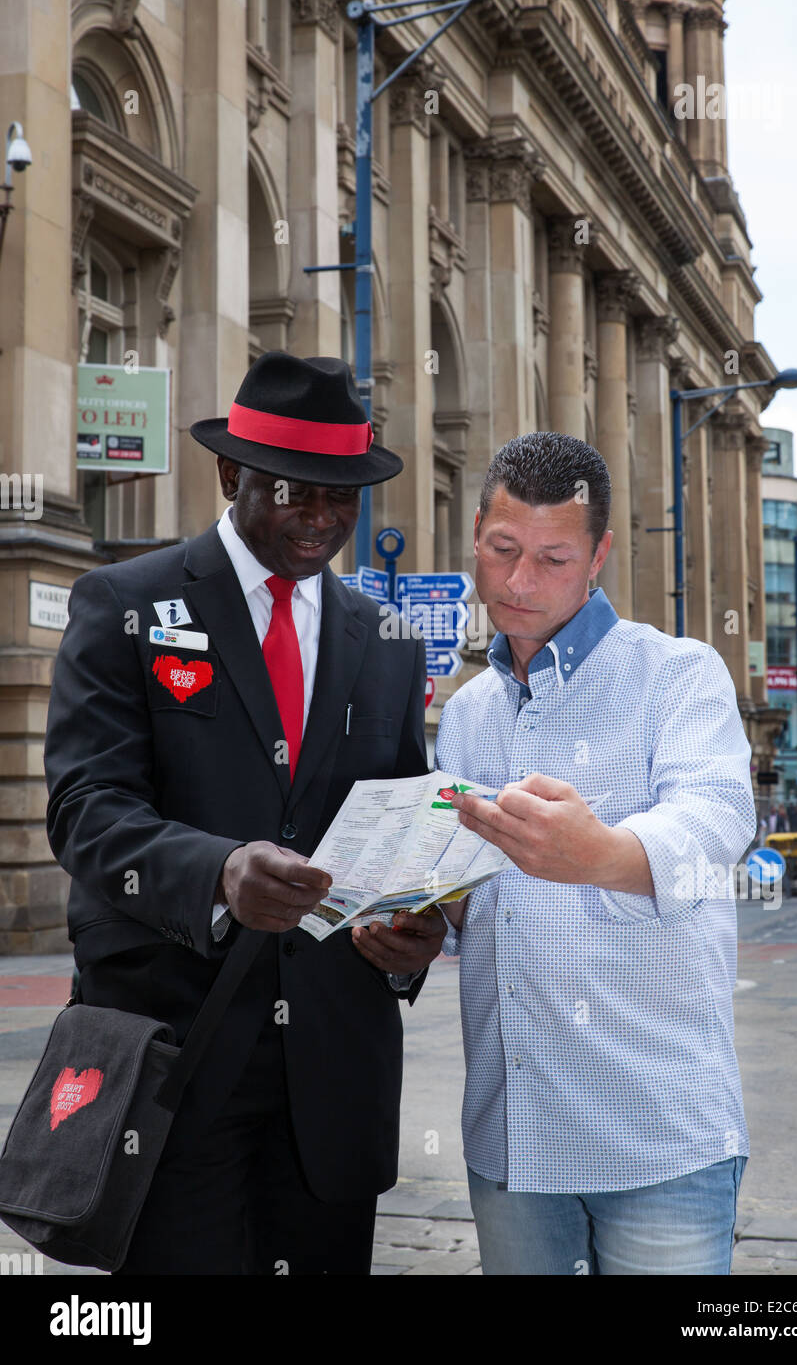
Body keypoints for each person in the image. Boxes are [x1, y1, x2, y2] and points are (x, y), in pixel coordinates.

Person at [43, 351, 445, 1275]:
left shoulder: (385, 640)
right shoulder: (126, 601)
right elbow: (85, 809)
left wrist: (413, 932)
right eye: (296, 494)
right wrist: (219, 872)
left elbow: (400, 819)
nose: (321, 520)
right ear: (231, 475)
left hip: (336, 1078)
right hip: (175, 1066)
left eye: (342, 499)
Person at [435, 431, 755, 1276]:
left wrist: (603, 853)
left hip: (658, 1142)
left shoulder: (677, 674)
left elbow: (716, 825)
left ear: (600, 555)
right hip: (512, 1139)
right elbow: (469, 902)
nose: (518, 582)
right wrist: (420, 921)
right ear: (476, 533)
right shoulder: (466, 715)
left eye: (552, 558)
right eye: (503, 551)